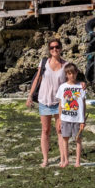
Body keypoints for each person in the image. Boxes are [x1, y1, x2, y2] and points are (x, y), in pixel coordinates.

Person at [26, 38, 67, 167]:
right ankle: (45, 159)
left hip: (59, 102)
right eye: (52, 48)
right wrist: (30, 96)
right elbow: (37, 79)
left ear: (60, 48)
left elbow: (71, 81)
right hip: (44, 100)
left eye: (57, 47)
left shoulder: (66, 65)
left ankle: (63, 159)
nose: (55, 49)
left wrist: (81, 84)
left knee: (60, 130)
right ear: (49, 50)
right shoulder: (44, 62)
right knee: (45, 130)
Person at [55, 62, 87, 168]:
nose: (71, 75)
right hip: (65, 117)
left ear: (77, 73)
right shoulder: (62, 87)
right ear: (66, 74)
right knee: (65, 138)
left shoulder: (81, 87)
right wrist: (59, 119)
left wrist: (83, 120)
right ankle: (66, 160)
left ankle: (77, 161)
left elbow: (83, 104)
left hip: (77, 119)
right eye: (69, 73)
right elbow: (60, 104)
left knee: (78, 139)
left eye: (73, 73)